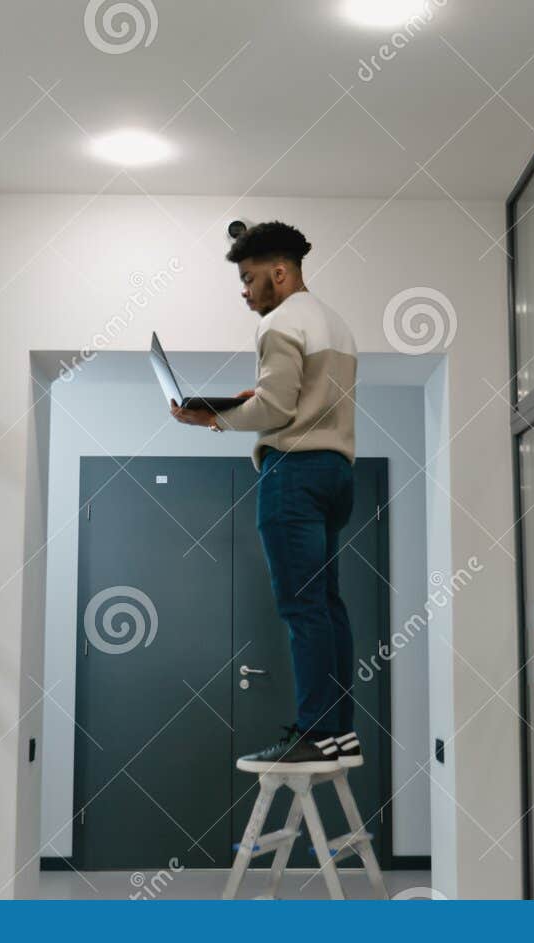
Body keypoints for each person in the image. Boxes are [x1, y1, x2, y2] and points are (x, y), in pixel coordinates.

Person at [169, 221, 362, 772]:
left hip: (294, 473)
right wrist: (250, 400)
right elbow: (301, 397)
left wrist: (212, 418)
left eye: (250, 279)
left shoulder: (278, 323)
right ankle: (339, 733)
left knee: (302, 606)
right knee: (326, 605)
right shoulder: (335, 323)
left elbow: (277, 411)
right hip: (336, 472)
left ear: (281, 272)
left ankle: (314, 732)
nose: (245, 292)